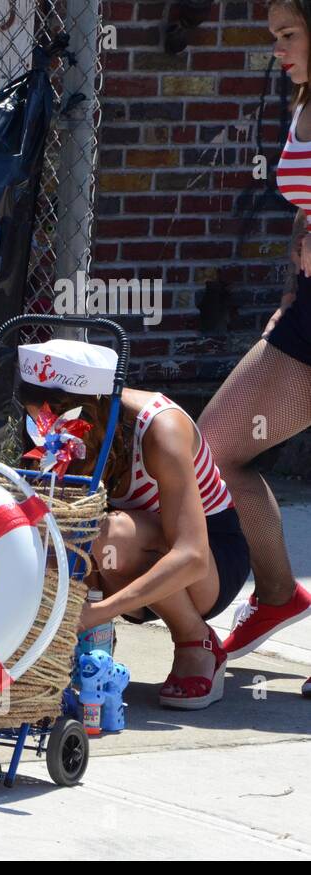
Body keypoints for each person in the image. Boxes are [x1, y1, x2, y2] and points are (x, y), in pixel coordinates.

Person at [17, 340, 251, 710]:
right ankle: (91, 647)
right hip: (125, 562)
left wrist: (96, 611)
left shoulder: (161, 428)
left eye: (60, 423)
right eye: (38, 422)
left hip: (208, 564)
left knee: (110, 536)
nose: (47, 437)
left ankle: (196, 642)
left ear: (91, 411)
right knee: (61, 526)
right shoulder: (55, 439)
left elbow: (192, 556)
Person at [196, 0, 311, 696]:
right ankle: (276, 592)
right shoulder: (303, 101)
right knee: (211, 449)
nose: (277, 49)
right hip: (306, 310)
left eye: (290, 35)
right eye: (273, 37)